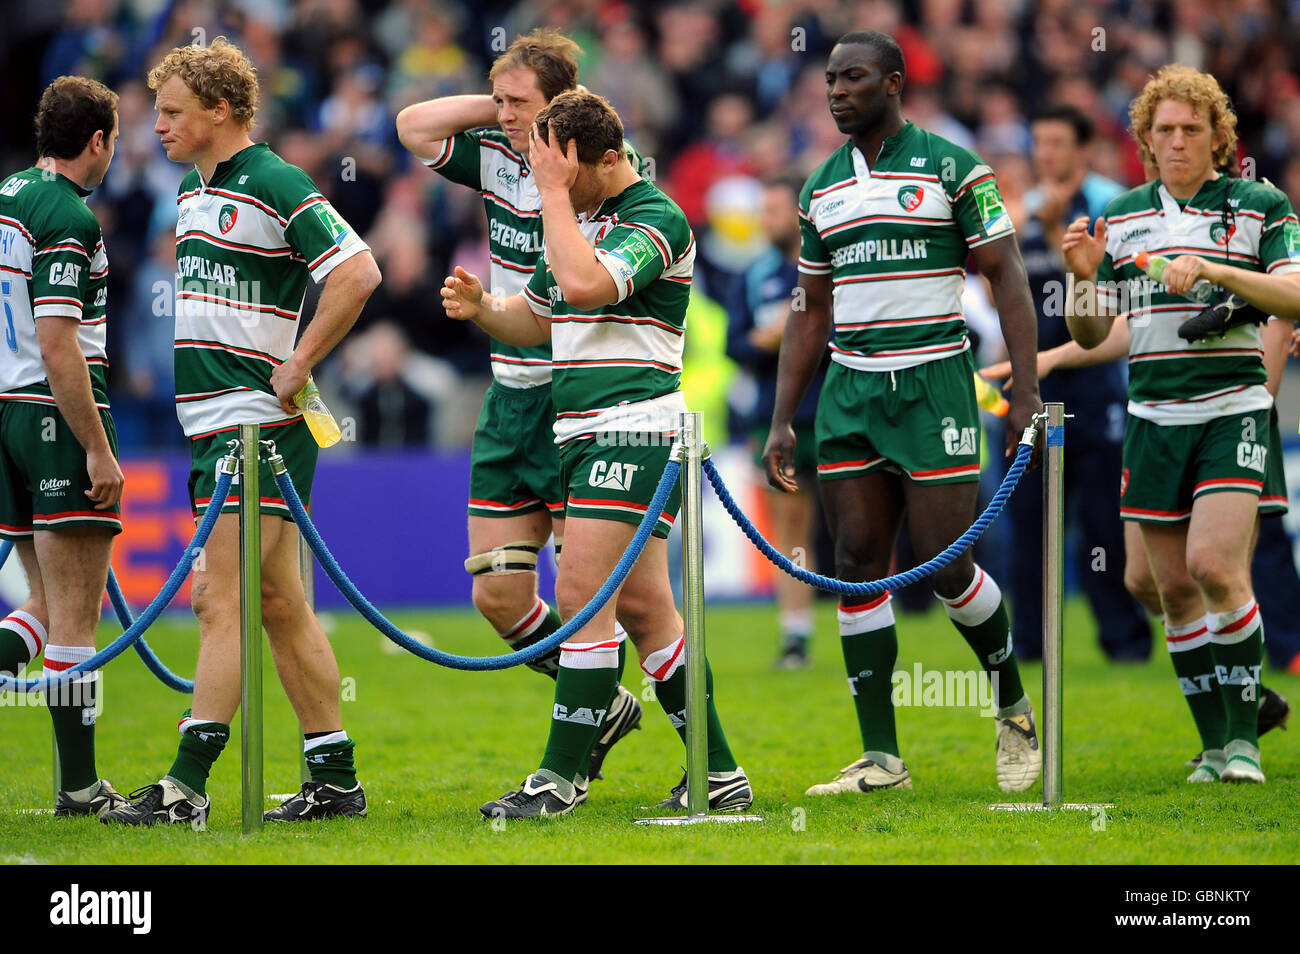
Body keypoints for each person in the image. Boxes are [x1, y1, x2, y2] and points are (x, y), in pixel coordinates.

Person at [441, 89, 751, 817]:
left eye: (559, 166)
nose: (547, 179)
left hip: (635, 429)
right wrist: (484, 308)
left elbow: (585, 283)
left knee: (582, 600)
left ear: (607, 159)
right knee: (646, 610)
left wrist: (549, 196)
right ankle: (720, 773)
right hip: (579, 432)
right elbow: (541, 318)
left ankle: (557, 780)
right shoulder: (579, 219)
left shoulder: (656, 218)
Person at [103, 38, 382, 825]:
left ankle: (186, 784)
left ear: (220, 111)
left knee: (217, 601)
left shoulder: (274, 180)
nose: (153, 126)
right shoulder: (192, 196)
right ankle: (335, 778)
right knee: (279, 603)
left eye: (171, 112)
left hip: (255, 426)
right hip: (214, 425)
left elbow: (358, 271)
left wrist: (298, 365)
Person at [763, 31, 1046, 796]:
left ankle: (1014, 708)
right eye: (828, 80)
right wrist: (784, 417)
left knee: (948, 563)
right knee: (855, 565)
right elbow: (809, 309)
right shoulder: (820, 186)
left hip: (936, 385)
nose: (835, 91)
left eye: (852, 77)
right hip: (850, 391)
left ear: (893, 82)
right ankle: (882, 758)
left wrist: (1024, 389)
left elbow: (1008, 278)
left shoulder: (955, 167)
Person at [396, 29, 642, 782]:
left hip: (577, 397)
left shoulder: (597, 176)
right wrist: (503, 109)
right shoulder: (500, 158)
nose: (501, 115)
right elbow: (412, 126)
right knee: (497, 595)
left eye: (516, 102)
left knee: (600, 596)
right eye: (496, 100)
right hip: (509, 395)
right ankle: (600, 698)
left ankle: (695, 757)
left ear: (564, 106)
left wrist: (546, 113)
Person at [1062, 64, 1300, 784]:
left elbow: (1292, 296)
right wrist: (1081, 275)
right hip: (1152, 416)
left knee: (1213, 568)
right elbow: (1097, 326)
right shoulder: (1126, 213)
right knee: (1157, 584)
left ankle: (1243, 747)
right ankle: (1218, 736)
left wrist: (1218, 272)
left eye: (1191, 129)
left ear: (1219, 136)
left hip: (1233, 410)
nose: (1176, 141)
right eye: (1163, 130)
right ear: (1145, 139)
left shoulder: (1259, 204)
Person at [0, 76, 128, 816]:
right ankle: (80, 790)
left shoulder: (8, 192)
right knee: (77, 617)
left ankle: (79, 786)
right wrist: (97, 448)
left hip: (5, 414)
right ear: (99, 140)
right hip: (51, 413)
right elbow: (59, 344)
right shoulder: (68, 215)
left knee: (44, 603)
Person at [1001, 104, 1151, 662]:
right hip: (1029, 388)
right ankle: (1032, 645)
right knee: (1029, 522)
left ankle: (1123, 640)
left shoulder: (1110, 210)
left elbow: (1122, 308)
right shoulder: (1016, 213)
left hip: (1095, 386)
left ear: (1083, 149)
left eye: (1058, 142)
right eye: (1039, 141)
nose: (1046, 153)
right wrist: (1034, 224)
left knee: (1103, 526)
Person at [724, 173, 826, 669]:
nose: (765, 222)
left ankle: (866, 622)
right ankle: (796, 638)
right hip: (776, 420)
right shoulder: (754, 275)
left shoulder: (825, 268)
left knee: (856, 527)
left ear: (800, 215)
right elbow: (733, 345)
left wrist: (800, 335)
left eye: (773, 211)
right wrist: (768, 341)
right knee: (791, 529)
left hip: (832, 414)